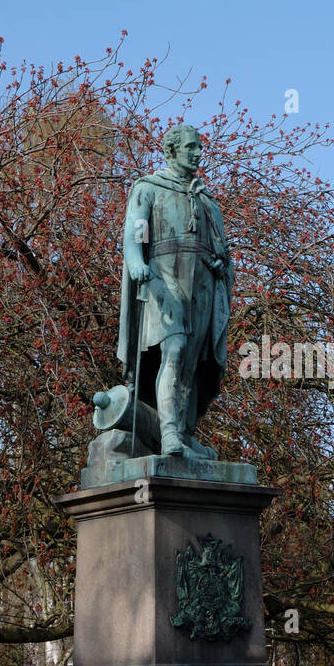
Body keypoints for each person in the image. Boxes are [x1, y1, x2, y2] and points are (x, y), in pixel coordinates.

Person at [117, 124, 232, 457]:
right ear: (171, 150)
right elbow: (134, 231)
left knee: (191, 364)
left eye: (199, 147)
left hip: (202, 286)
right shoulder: (148, 187)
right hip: (162, 278)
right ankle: (168, 434)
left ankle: (181, 432)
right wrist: (136, 261)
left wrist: (220, 264)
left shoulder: (206, 198)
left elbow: (220, 249)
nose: (197, 153)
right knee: (176, 348)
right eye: (191, 147)